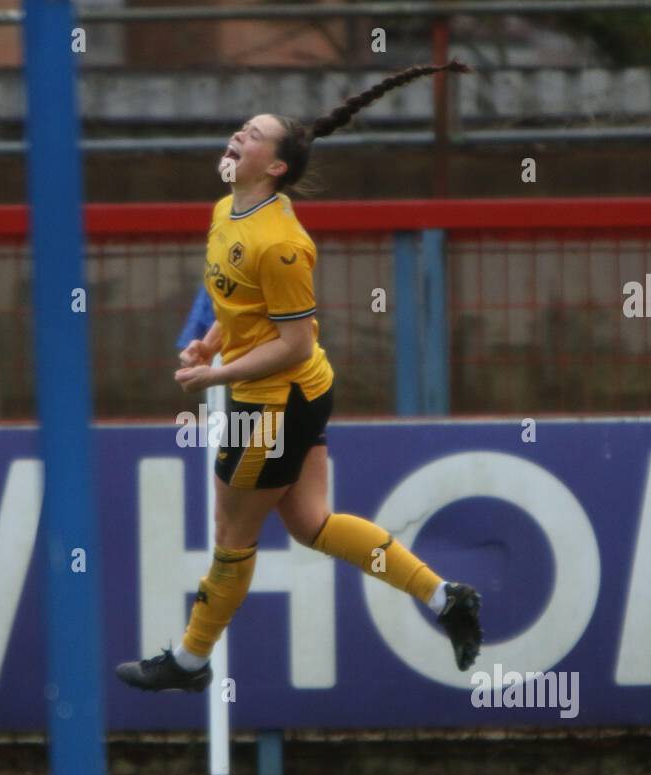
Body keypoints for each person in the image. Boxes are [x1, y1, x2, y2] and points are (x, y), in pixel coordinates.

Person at [117, 63, 482, 693]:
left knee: (233, 534)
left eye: (252, 136)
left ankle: (192, 660)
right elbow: (233, 301)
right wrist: (208, 344)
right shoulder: (227, 209)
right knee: (312, 524)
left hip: (275, 404)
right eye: (241, 129)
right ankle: (444, 595)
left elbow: (293, 343)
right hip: (285, 397)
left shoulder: (283, 244)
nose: (238, 137)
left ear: (275, 167)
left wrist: (216, 378)